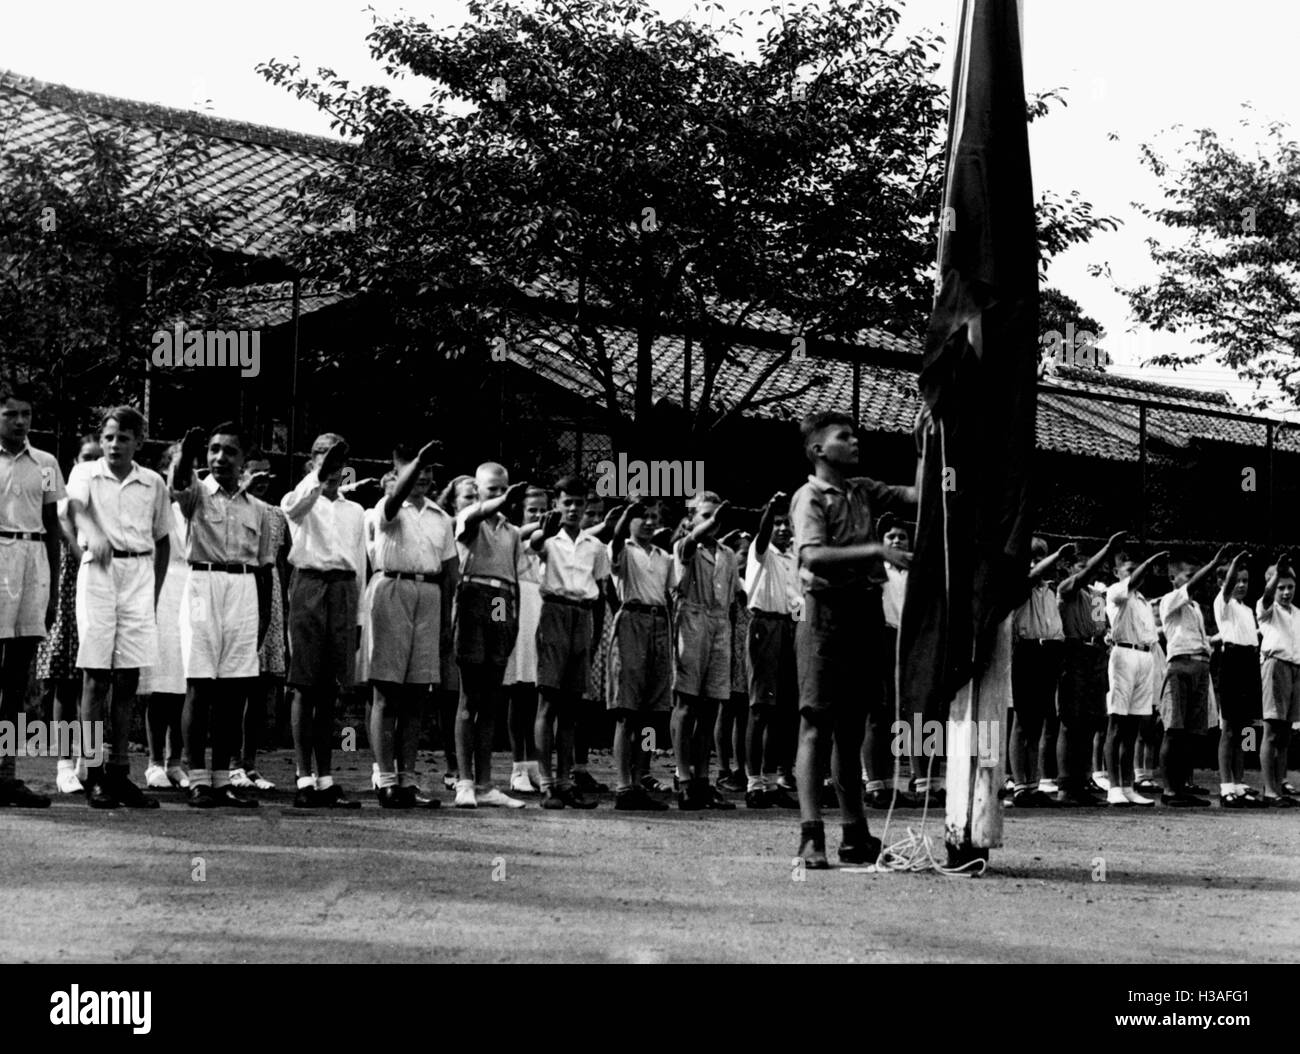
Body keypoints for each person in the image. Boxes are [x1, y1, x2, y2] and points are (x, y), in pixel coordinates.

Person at [788, 411, 915, 867]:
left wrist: (926, 442)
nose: (855, 440)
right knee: (816, 724)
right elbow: (815, 555)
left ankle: (854, 835)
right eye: (844, 435)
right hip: (827, 616)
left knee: (851, 729)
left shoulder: (863, 489)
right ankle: (810, 836)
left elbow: (918, 494)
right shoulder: (810, 497)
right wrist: (877, 549)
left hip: (865, 612)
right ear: (819, 450)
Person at [63, 407, 172, 808]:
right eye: (108, 437)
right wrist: (91, 538)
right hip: (99, 575)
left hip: (139, 574)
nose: (113, 445)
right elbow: (72, 510)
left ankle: (120, 771)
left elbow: (162, 539)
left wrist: (154, 591)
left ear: (138, 442)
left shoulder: (153, 482)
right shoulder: (85, 474)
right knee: (95, 675)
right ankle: (91, 772)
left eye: (123, 438)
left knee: (128, 678)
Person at [172, 422, 273, 808]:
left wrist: (261, 617)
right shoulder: (196, 493)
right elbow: (179, 482)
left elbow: (263, 566)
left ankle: (221, 778)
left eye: (230, 451)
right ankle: (196, 776)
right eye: (213, 450)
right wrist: (187, 452)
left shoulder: (259, 509)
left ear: (244, 460)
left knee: (234, 688)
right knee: (200, 682)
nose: (220, 458)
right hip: (203, 584)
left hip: (243, 588)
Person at [366, 440, 456, 808]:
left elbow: (450, 572)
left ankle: (408, 779)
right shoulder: (385, 508)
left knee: (418, 693)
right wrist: (416, 461)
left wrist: (448, 619)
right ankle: (385, 777)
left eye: (428, 471)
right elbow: (393, 502)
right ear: (396, 475)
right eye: (414, 471)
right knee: (387, 690)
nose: (422, 477)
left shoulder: (441, 517)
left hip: (430, 596)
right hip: (392, 588)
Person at [281, 434, 367, 809]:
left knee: (331, 688)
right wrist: (318, 474)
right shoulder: (298, 501)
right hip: (310, 586)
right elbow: (297, 506)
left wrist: (359, 616)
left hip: (343, 591)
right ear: (310, 464)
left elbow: (360, 566)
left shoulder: (355, 511)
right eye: (323, 458)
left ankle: (326, 778)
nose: (331, 466)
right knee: (304, 684)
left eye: (338, 460)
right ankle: (303, 777)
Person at [0, 382, 65, 809]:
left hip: (33, 559)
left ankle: (7, 772)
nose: (21, 422)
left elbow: (52, 524)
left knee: (18, 673)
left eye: (26, 413)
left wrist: (55, 582)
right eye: (11, 414)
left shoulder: (45, 463)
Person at [531, 476, 611, 809]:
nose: (574, 509)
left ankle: (565, 781)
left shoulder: (596, 547)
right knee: (548, 702)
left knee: (571, 707)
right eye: (568, 502)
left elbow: (602, 590)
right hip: (554, 613)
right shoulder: (548, 540)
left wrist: (594, 636)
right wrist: (542, 531)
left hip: (584, 616)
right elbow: (535, 542)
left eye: (580, 503)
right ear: (557, 504)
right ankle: (546, 781)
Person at [452, 462, 529, 808]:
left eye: (504, 489)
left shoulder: (512, 532)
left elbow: (513, 581)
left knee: (492, 697)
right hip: (473, 598)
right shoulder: (469, 518)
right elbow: (474, 516)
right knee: (470, 696)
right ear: (478, 490)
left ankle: (485, 783)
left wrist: (513, 621)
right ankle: (464, 781)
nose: (500, 496)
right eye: (492, 490)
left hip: (502, 602)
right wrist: (493, 504)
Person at [38, 435, 101, 794]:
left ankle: (88, 760)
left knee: (95, 677)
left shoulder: (106, 490)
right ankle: (63, 763)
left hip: (99, 583)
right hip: (65, 579)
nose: (92, 463)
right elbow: (51, 519)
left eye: (97, 458)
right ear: (75, 459)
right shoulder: (57, 480)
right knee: (65, 676)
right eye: (86, 457)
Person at [671, 490, 739, 811]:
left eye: (717, 516)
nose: (713, 522)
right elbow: (688, 544)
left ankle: (702, 779)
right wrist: (707, 524)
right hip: (692, 620)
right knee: (687, 702)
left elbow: (736, 599)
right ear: (691, 520)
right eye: (705, 515)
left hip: (719, 625)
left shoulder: (727, 554)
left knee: (712, 705)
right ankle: (683, 778)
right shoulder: (685, 548)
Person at [606, 499, 673, 811]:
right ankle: (623, 785)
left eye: (652, 517)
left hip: (659, 622)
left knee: (651, 711)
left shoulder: (663, 557)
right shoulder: (623, 550)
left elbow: (673, 591)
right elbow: (616, 541)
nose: (647, 522)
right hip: (632, 618)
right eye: (640, 516)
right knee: (627, 708)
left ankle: (639, 776)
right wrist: (623, 517)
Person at [1157, 546, 1231, 807]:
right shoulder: (1170, 600)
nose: (1191, 581)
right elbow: (1191, 587)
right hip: (1181, 665)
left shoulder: (1197, 607)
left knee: (1192, 732)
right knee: (1174, 729)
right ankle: (1169, 790)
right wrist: (1212, 565)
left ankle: (1181, 786)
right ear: (1173, 579)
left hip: (1201, 666)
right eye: (1187, 576)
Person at [230, 457, 288, 792]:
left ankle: (249, 764)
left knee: (260, 686)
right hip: (240, 592)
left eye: (268, 472)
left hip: (271, 596)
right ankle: (230, 764)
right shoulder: (230, 506)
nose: (263, 478)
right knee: (235, 685)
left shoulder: (276, 514)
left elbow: (280, 559)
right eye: (255, 471)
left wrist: (283, 606)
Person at [1055, 532, 1124, 805]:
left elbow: (1100, 627)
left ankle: (1082, 782)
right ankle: (1064, 785)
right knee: (1070, 723)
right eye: (1080, 567)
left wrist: (1104, 640)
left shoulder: (1095, 595)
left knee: (1089, 722)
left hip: (1093, 655)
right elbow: (1083, 578)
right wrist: (1107, 549)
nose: (1085, 572)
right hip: (1073, 653)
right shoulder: (1066, 589)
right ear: (1070, 569)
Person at [743, 492, 799, 809]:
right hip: (763, 625)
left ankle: (776, 776)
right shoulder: (759, 551)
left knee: (784, 708)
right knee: (760, 706)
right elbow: (763, 533)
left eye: (786, 524)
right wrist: (770, 510)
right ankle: (754, 781)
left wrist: (801, 627)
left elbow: (798, 603)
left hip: (789, 627)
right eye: (778, 523)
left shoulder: (793, 559)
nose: (782, 529)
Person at [138, 442, 189, 791]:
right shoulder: (155, 505)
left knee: (186, 685)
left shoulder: (200, 506)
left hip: (195, 591)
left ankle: (176, 762)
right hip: (163, 588)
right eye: (177, 467)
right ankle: (154, 761)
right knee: (160, 683)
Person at [1103, 547, 1167, 808]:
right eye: (1130, 570)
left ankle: (1128, 785)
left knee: (1133, 728)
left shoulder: (1142, 600)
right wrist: (1150, 562)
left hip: (1145, 657)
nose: (1137, 576)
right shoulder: (1114, 592)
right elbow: (1102, 618)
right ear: (1118, 573)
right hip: (1123, 655)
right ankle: (1113, 786)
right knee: (1116, 725)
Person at [1008, 538, 1070, 808]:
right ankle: (1020, 784)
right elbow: (1031, 575)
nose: (1036, 562)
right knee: (1022, 722)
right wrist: (1056, 556)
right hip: (1027, 651)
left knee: (1037, 723)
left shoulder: (1049, 590)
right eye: (1032, 557)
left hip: (1049, 652)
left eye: (1040, 556)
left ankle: (1033, 784)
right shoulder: (1020, 582)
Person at [504, 486, 548, 795]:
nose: (539, 515)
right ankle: (517, 767)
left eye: (544, 509)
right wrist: (542, 524)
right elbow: (524, 533)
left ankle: (533, 766)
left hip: (543, 609)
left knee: (535, 693)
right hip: (520, 607)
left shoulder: (551, 540)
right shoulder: (513, 535)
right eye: (533, 509)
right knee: (517, 691)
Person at [1213, 550, 1264, 807]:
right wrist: (1233, 563)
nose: (1241, 585)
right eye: (1236, 580)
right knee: (1229, 727)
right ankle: (1226, 786)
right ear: (1225, 583)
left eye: (1245, 580)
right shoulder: (1224, 604)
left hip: (1249, 664)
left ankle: (1241, 780)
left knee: (1247, 727)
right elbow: (1227, 586)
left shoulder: (1247, 609)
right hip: (1232, 663)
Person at [437, 474, 477, 789]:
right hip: (449, 611)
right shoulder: (445, 528)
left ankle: (472, 767)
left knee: (477, 694)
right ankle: (453, 767)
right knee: (451, 694)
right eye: (467, 497)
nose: (474, 503)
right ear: (453, 501)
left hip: (481, 612)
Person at [1256, 556, 1300, 807]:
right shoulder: (1266, 609)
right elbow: (1266, 596)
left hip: (1295, 670)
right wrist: (1276, 575)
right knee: (1270, 730)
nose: (1285, 592)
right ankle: (1269, 789)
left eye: (1290, 587)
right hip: (1275, 667)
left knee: (1285, 734)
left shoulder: (1298, 614)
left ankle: (1280, 784)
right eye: (1281, 587)